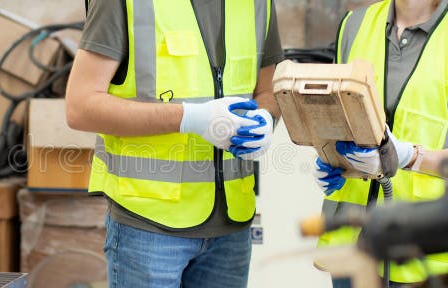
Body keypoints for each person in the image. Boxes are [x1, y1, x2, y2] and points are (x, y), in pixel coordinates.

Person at [65, 0, 284, 287]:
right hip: (148, 225)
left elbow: (267, 89)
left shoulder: (258, 4)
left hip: (232, 227)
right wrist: (190, 118)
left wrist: (266, 118)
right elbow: (80, 107)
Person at [313, 0, 448, 287]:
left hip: (424, 243)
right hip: (352, 241)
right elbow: (338, 121)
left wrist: (406, 156)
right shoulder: (354, 25)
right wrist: (329, 160)